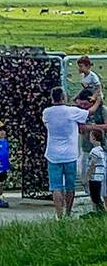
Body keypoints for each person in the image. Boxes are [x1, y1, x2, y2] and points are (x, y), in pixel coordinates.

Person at [42, 87, 89, 219]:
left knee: (56, 187)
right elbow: (89, 112)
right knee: (70, 186)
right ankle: (68, 212)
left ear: (52, 98)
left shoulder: (47, 112)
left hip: (52, 155)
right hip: (70, 154)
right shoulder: (71, 111)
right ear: (63, 97)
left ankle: (59, 215)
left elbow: (47, 125)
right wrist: (98, 99)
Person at [85, 129, 106, 214]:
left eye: (90, 136)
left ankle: (101, 211)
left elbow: (92, 164)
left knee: (95, 195)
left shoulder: (94, 151)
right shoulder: (101, 150)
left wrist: (88, 175)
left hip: (94, 176)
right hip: (100, 175)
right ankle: (100, 210)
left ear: (94, 138)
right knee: (97, 194)